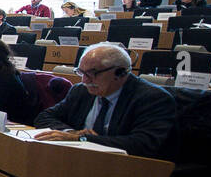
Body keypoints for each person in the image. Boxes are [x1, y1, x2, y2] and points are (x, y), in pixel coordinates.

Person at [34, 42, 178, 159]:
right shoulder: (81, 90)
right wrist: (70, 133)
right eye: (81, 72)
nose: (85, 80)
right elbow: (44, 117)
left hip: (126, 172)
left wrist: (82, 139)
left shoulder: (152, 98)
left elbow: (143, 145)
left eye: (92, 73)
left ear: (120, 73)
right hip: (78, 161)